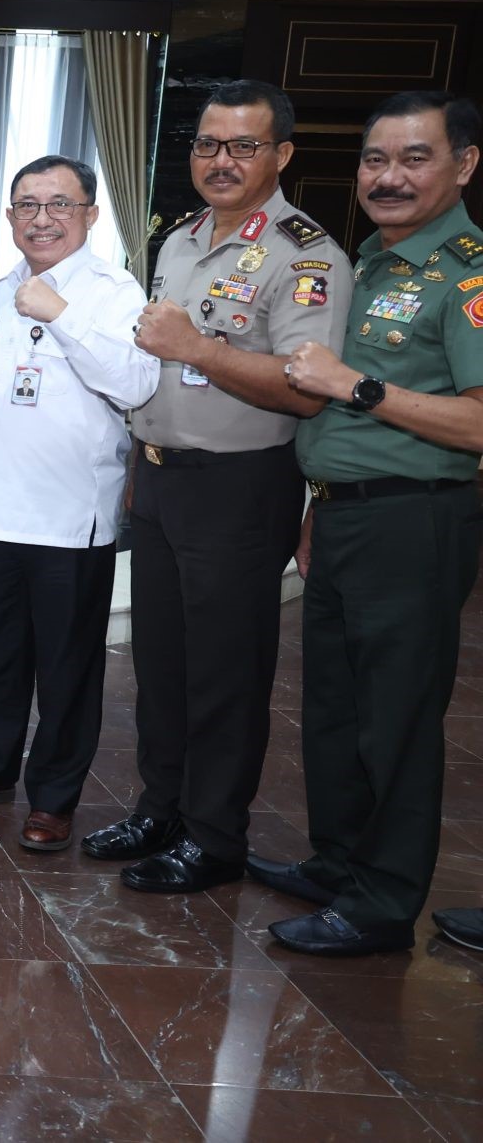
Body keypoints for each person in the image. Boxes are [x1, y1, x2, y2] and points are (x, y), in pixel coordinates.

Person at [95, 79, 349, 895]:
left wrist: (199, 349)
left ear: (281, 155)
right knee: (162, 663)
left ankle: (215, 837)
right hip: (164, 478)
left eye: (244, 146)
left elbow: (307, 388)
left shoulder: (307, 256)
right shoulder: (181, 238)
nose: (222, 160)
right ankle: (160, 808)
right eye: (208, 144)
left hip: (241, 486)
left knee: (225, 673)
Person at [261, 90, 483, 957]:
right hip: (349, 519)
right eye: (374, 160)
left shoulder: (467, 275)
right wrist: (322, 504)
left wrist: (357, 386)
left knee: (393, 715)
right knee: (335, 707)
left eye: (414, 158)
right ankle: (339, 861)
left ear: (463, 164)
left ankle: (384, 902)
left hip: (415, 523)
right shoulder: (376, 263)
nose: (388, 177)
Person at [0, 156, 156, 850]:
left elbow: (136, 383)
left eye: (59, 204)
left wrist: (64, 313)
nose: (42, 218)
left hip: (68, 513)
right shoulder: (1, 287)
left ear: (90, 214)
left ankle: (54, 796)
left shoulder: (112, 291)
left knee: (67, 665)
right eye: (28, 205)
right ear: (10, 217)